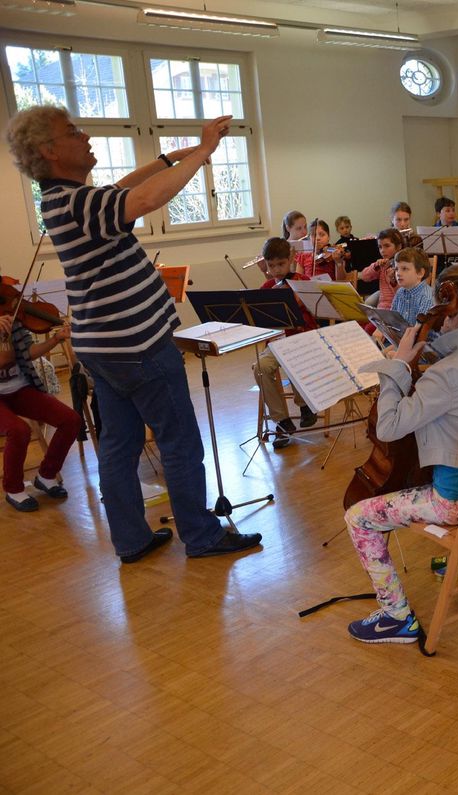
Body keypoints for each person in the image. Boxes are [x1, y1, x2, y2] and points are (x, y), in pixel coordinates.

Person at [7, 104, 261, 560]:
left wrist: (170, 160)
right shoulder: (78, 203)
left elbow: (121, 189)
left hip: (102, 349)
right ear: (50, 150)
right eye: (72, 132)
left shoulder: (62, 199)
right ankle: (201, 536)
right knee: (179, 440)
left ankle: (131, 539)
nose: (84, 136)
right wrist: (203, 149)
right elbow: (142, 200)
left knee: (119, 448)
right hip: (138, 347)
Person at [344, 264, 458, 642]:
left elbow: (389, 427)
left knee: (358, 517)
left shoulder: (445, 374)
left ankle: (396, 616)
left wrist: (398, 368)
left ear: (449, 312)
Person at [0, 314, 81, 512]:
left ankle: (47, 475)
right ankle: (13, 488)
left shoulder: (13, 319)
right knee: (19, 430)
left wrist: (55, 339)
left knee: (70, 420)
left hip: (21, 389)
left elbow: (28, 353)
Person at [252, 237, 319, 449]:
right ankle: (281, 421)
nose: (277, 270)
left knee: (292, 356)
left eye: (281, 264)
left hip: (302, 340)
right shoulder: (267, 286)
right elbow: (259, 321)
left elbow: (316, 313)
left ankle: (305, 404)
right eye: (271, 266)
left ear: (291, 259)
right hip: (277, 341)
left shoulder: (302, 282)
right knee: (261, 367)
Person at [358, 229, 407, 310]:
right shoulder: (382, 265)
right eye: (380, 247)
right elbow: (364, 276)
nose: (382, 251)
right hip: (381, 309)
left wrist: (393, 281)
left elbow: (404, 296)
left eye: (387, 246)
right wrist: (375, 266)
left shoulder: (405, 267)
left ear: (399, 247)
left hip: (396, 310)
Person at [389, 247, 436, 322]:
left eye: (404, 269)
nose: (398, 273)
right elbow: (392, 318)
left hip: (419, 333)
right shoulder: (400, 292)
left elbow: (420, 330)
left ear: (420, 273)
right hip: (403, 332)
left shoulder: (426, 297)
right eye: (396, 269)